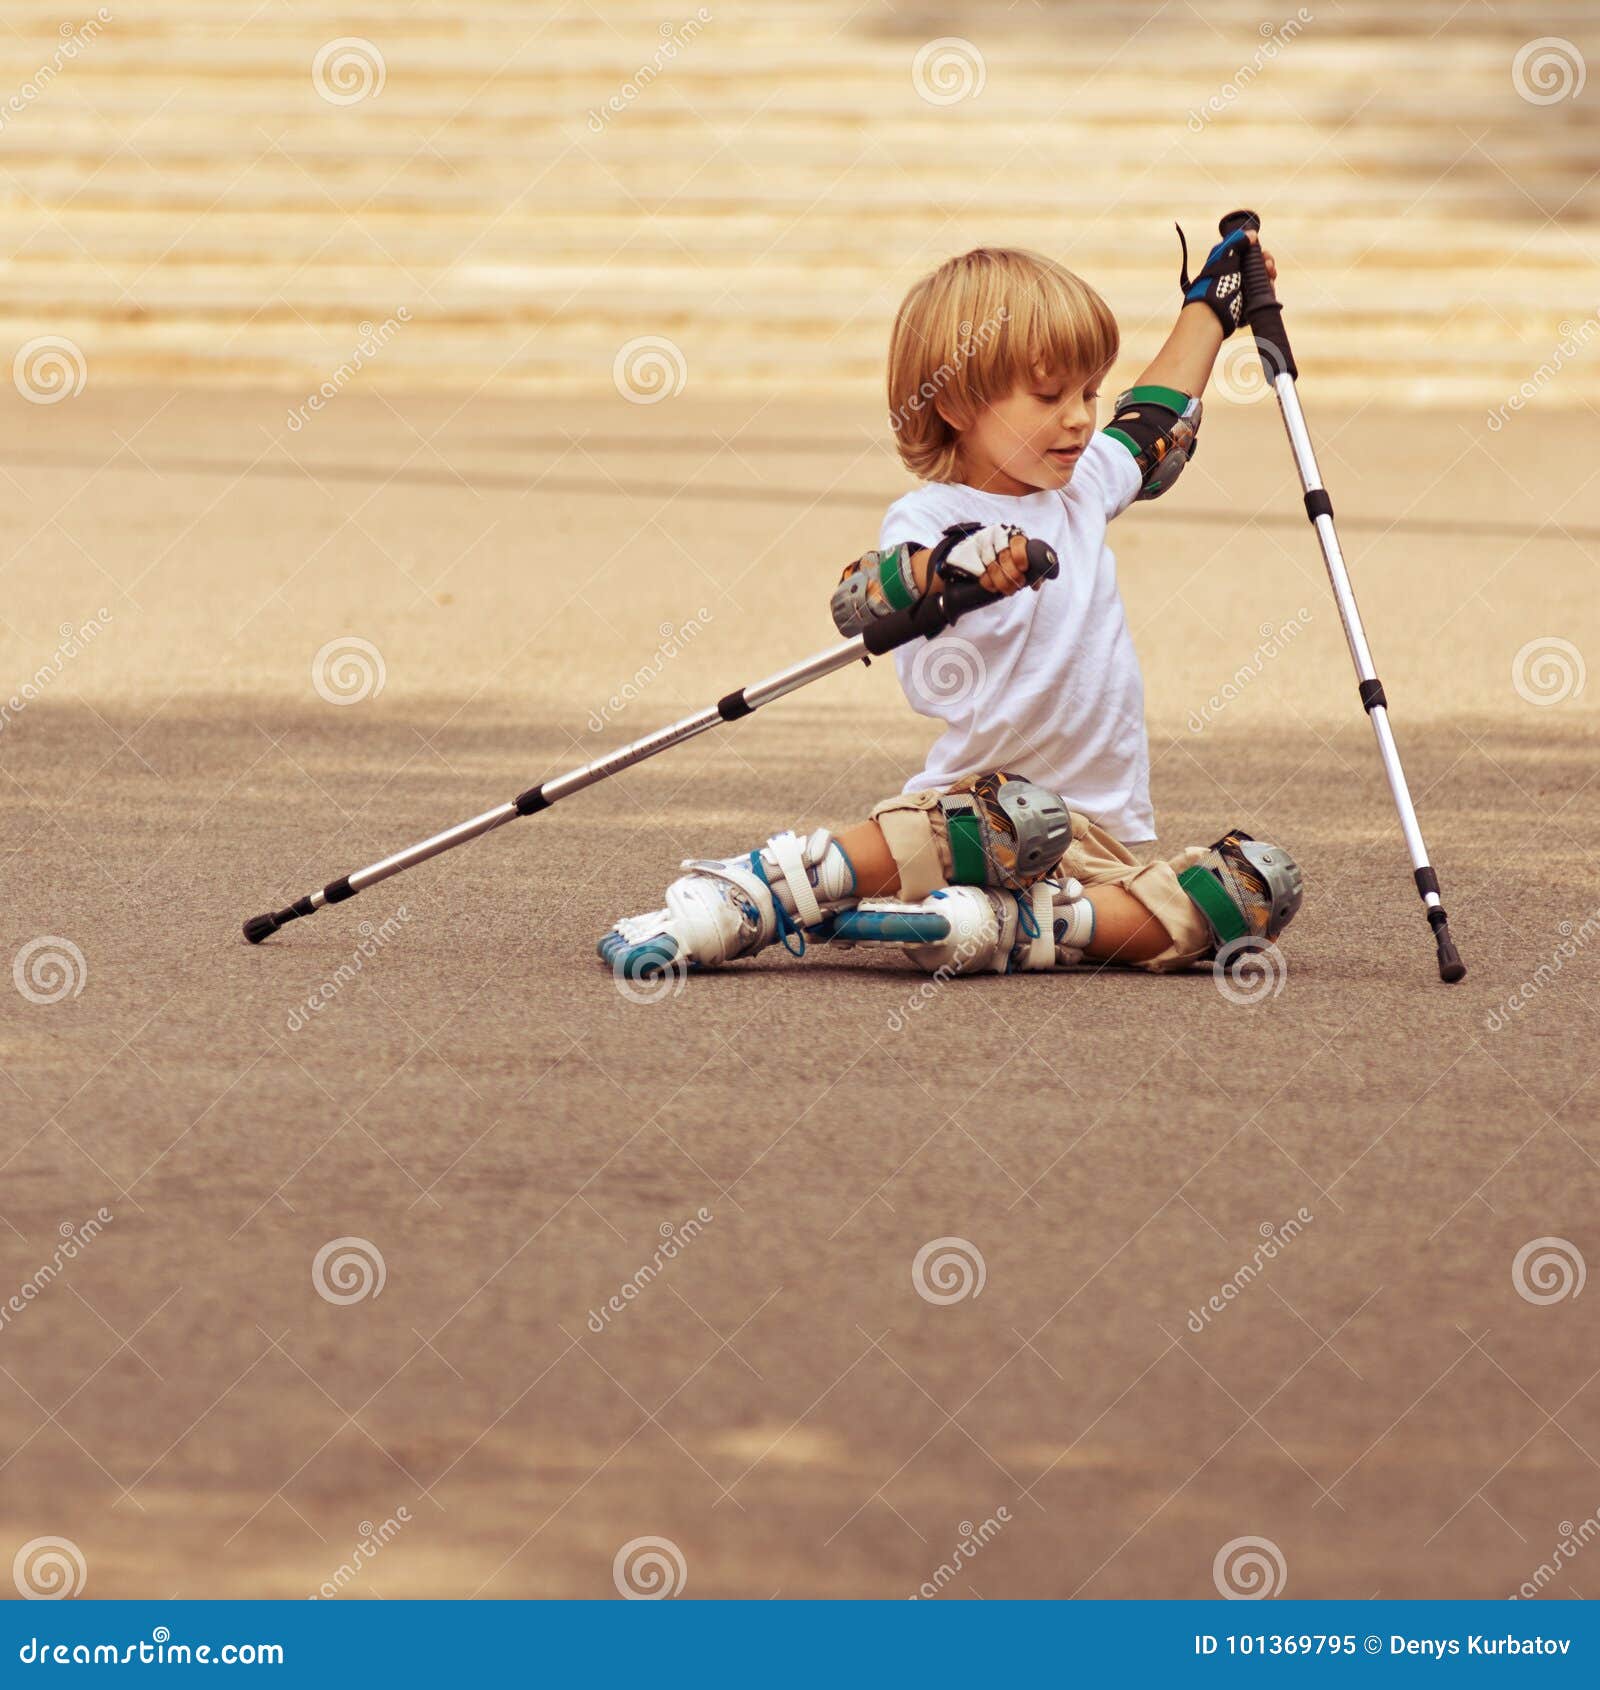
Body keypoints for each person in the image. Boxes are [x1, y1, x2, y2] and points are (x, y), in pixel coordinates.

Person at [599, 225, 1303, 980]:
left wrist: (1212, 306)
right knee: (983, 821)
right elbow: (867, 595)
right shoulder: (930, 518)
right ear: (961, 402)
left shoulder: (1084, 485)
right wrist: (955, 566)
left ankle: (1031, 923)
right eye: (1048, 395)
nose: (1078, 417)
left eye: (1088, 392)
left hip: (1100, 839)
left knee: (1250, 892)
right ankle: (760, 894)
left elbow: (1155, 423)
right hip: (973, 818)